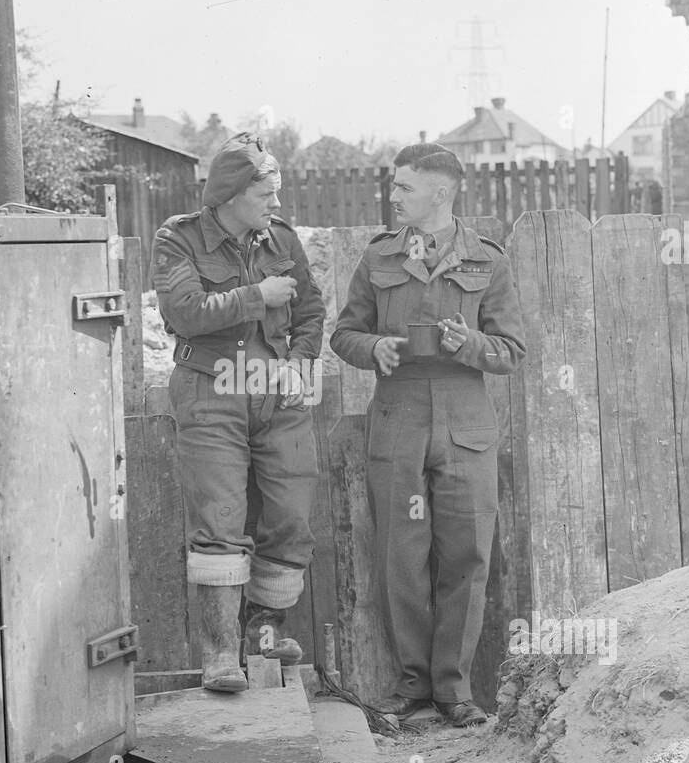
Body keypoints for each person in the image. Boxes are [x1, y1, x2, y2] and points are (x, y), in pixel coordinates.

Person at [329, 143, 526, 726]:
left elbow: (512, 350)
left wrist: (468, 344)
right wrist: (374, 348)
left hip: (465, 422)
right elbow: (344, 335)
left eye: (404, 188)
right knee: (402, 554)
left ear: (441, 193)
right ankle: (412, 686)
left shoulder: (487, 260)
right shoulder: (380, 257)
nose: (393, 197)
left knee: (466, 556)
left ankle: (453, 691)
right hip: (399, 417)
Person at [152, 132, 325, 692]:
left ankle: (264, 634)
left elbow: (313, 310)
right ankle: (222, 656)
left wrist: (299, 362)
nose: (276, 204)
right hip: (210, 392)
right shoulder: (177, 240)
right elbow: (184, 312)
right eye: (266, 194)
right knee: (219, 523)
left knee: (292, 515)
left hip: (277, 391)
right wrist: (257, 296)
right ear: (230, 196)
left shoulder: (282, 240)